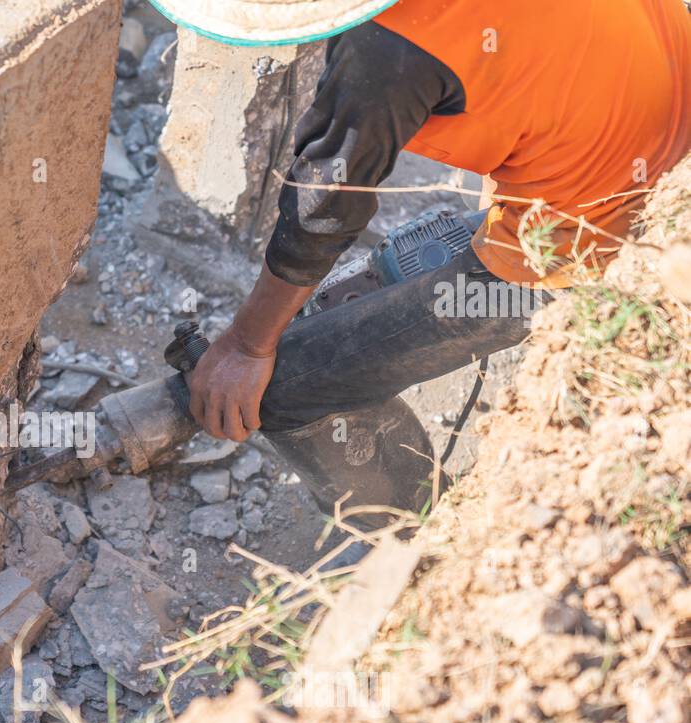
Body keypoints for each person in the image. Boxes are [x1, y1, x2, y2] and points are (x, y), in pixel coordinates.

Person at [150, 0, 691, 519]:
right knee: (383, 276)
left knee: (289, 385)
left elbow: (326, 204)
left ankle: (416, 537)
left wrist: (247, 346)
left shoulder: (392, 44)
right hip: (666, 126)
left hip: (595, 233)